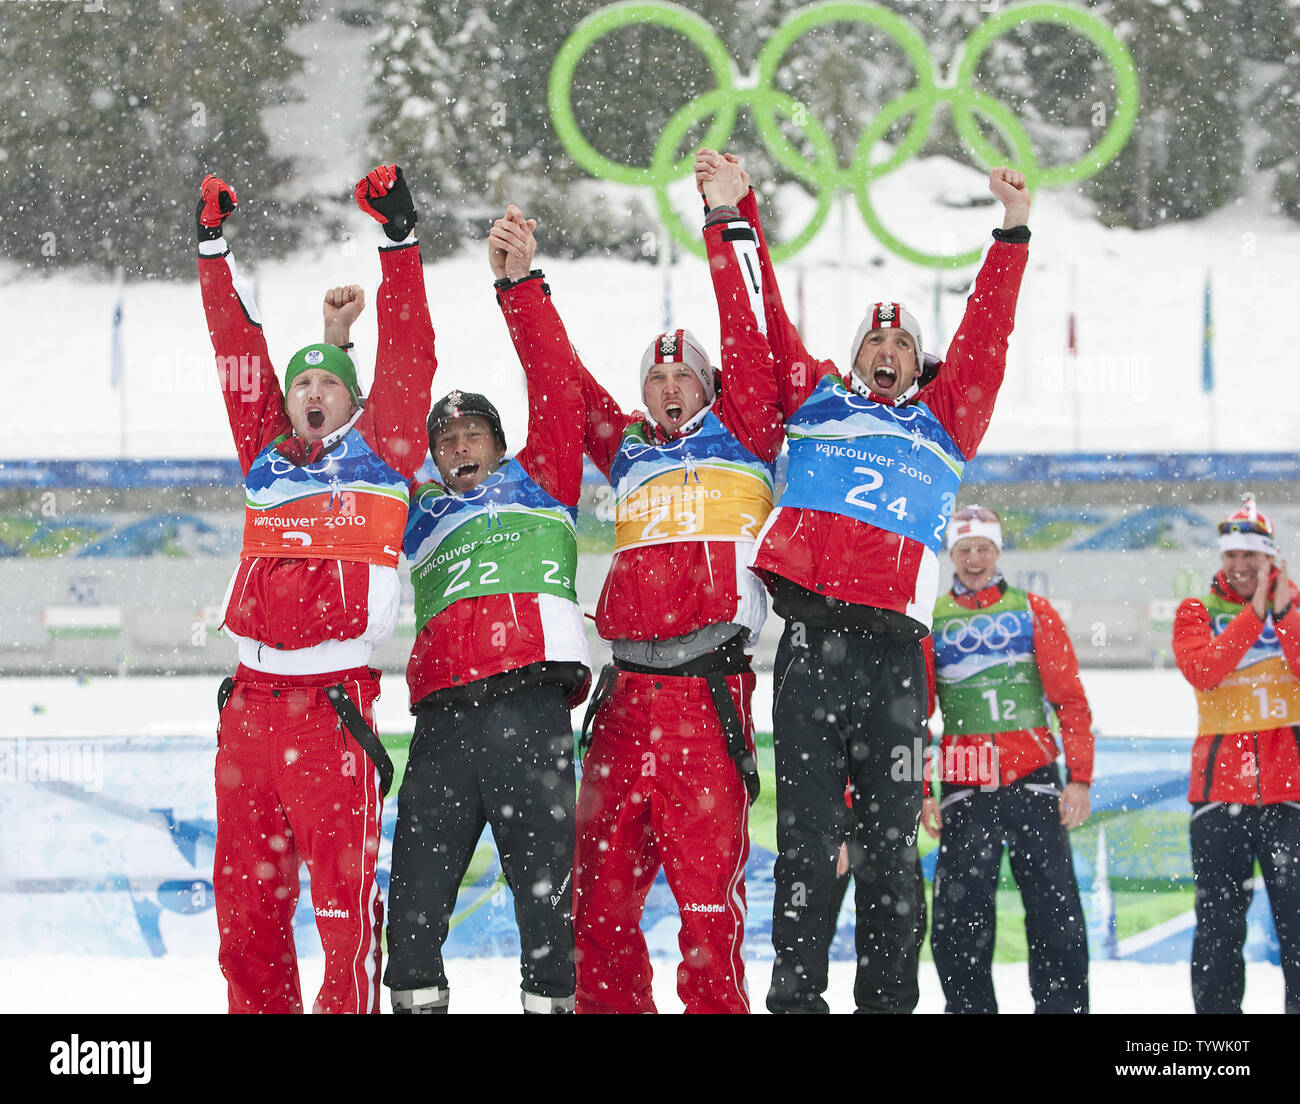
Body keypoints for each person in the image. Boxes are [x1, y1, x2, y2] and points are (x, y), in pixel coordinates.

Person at [696, 148, 1033, 1013]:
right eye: (875, 341)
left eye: (904, 343)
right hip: (807, 657)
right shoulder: (812, 402)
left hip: (891, 664)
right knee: (806, 846)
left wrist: (1010, 234)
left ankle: (888, 1003)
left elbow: (987, 339)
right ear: (854, 361)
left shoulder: (943, 421)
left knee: (888, 849)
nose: (889, 350)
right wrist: (732, 217)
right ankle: (795, 1001)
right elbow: (757, 322)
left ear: (919, 365)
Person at [489, 161, 783, 1012]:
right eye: (654, 379)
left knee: (705, 917)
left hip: (705, 695)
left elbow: (747, 328)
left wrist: (722, 215)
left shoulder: (749, 435)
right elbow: (565, 383)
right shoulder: (627, 452)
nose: (666, 389)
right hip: (623, 703)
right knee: (599, 908)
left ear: (710, 386)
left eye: (682, 376)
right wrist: (520, 288)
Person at [197, 164, 436, 1013]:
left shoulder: (385, 458)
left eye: (326, 382)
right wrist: (212, 252)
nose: (307, 391)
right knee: (247, 915)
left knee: (342, 918)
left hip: (332, 709)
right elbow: (237, 350)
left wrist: (399, 243)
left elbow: (412, 352)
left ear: (356, 402)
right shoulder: (264, 456)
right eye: (300, 381)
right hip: (251, 708)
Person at [378, 207, 590, 1014]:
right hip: (442, 727)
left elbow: (557, 387)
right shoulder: (416, 512)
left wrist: (517, 286)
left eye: (474, 433)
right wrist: (400, 259)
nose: (459, 445)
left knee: (546, 913)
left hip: (531, 712)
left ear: (502, 446)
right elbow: (399, 390)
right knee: (413, 916)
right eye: (446, 439)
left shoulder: (546, 485)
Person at [921, 504, 1093, 1014]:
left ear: (998, 551)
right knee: (959, 920)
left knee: (1054, 912)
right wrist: (920, 791)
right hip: (964, 783)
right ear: (951, 553)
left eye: (984, 548)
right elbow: (914, 714)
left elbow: (1070, 700)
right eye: (965, 549)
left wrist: (1079, 778)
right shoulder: (931, 620)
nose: (974, 559)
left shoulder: (1032, 608)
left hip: (1033, 779)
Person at [1173, 493, 1300, 1014]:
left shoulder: (1295, 607)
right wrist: (1254, 615)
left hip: (1289, 792)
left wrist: (1285, 610)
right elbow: (1205, 671)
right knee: (1220, 928)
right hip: (1217, 793)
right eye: (1232, 555)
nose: (1242, 565)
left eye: (1253, 556)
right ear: (1220, 559)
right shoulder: (1196, 609)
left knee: (1296, 923)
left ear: (1271, 558)